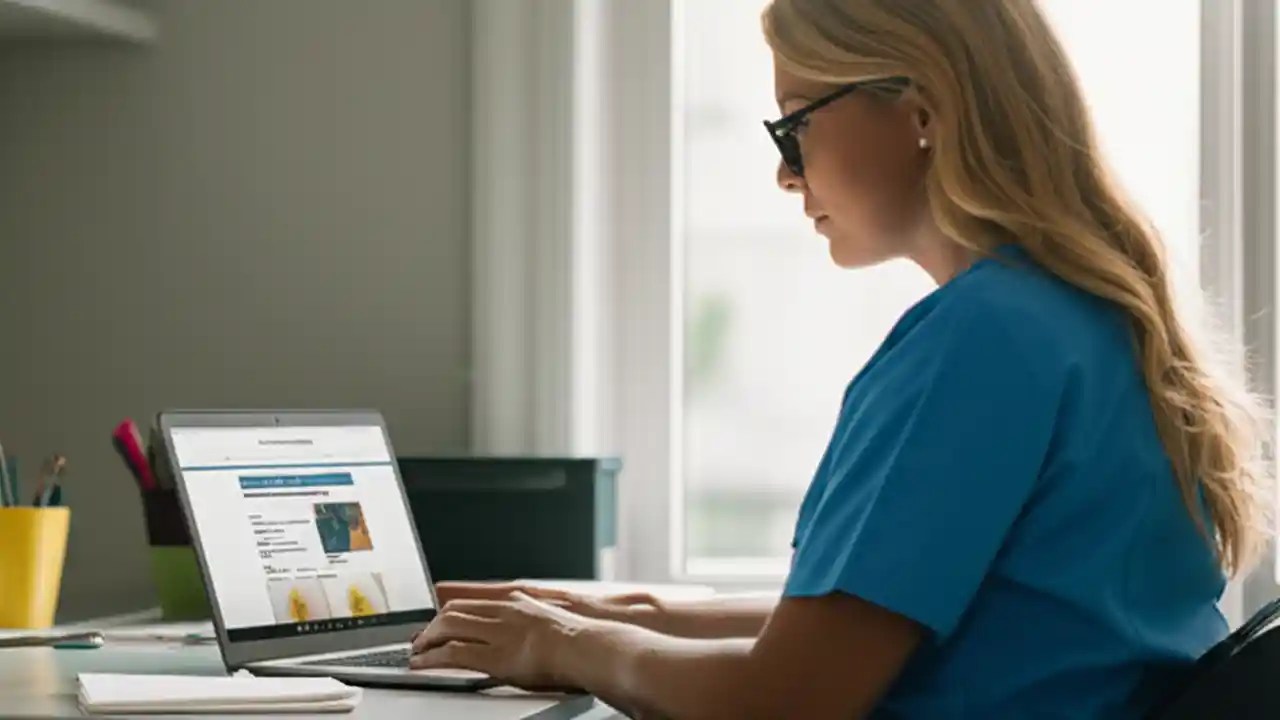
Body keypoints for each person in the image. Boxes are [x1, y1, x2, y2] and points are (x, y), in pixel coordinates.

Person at [409, 1, 1269, 717]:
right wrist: (629, 609)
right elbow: (890, 622)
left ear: (921, 110)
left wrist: (566, 646)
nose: (787, 176)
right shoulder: (1080, 319)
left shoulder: (981, 341)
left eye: (794, 127)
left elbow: (788, 699)